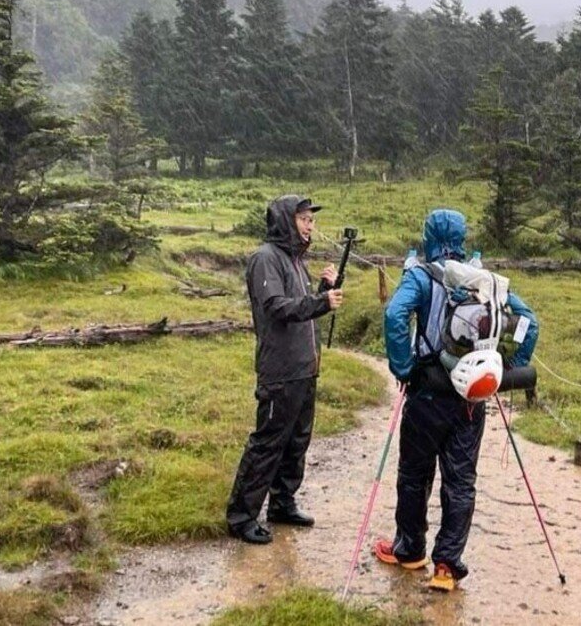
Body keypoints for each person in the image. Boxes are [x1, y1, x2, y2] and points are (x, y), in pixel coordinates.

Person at [375, 209, 538, 591]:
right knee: (461, 481)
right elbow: (530, 320)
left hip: (426, 393)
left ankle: (410, 550)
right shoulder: (485, 280)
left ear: (428, 235)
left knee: (414, 476)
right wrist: (509, 366)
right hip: (470, 400)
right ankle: (447, 566)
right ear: (464, 238)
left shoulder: (421, 274)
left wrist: (403, 367)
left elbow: (395, 315)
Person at [226, 195, 344, 544]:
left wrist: (322, 290)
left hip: (306, 368)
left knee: (297, 442)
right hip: (280, 369)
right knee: (268, 443)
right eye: (304, 218)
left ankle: (282, 504)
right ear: (284, 220)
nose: (310, 225)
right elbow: (277, 307)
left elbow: (299, 309)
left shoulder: (294, 260)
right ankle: (241, 516)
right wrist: (321, 302)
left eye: (312, 219)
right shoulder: (265, 259)